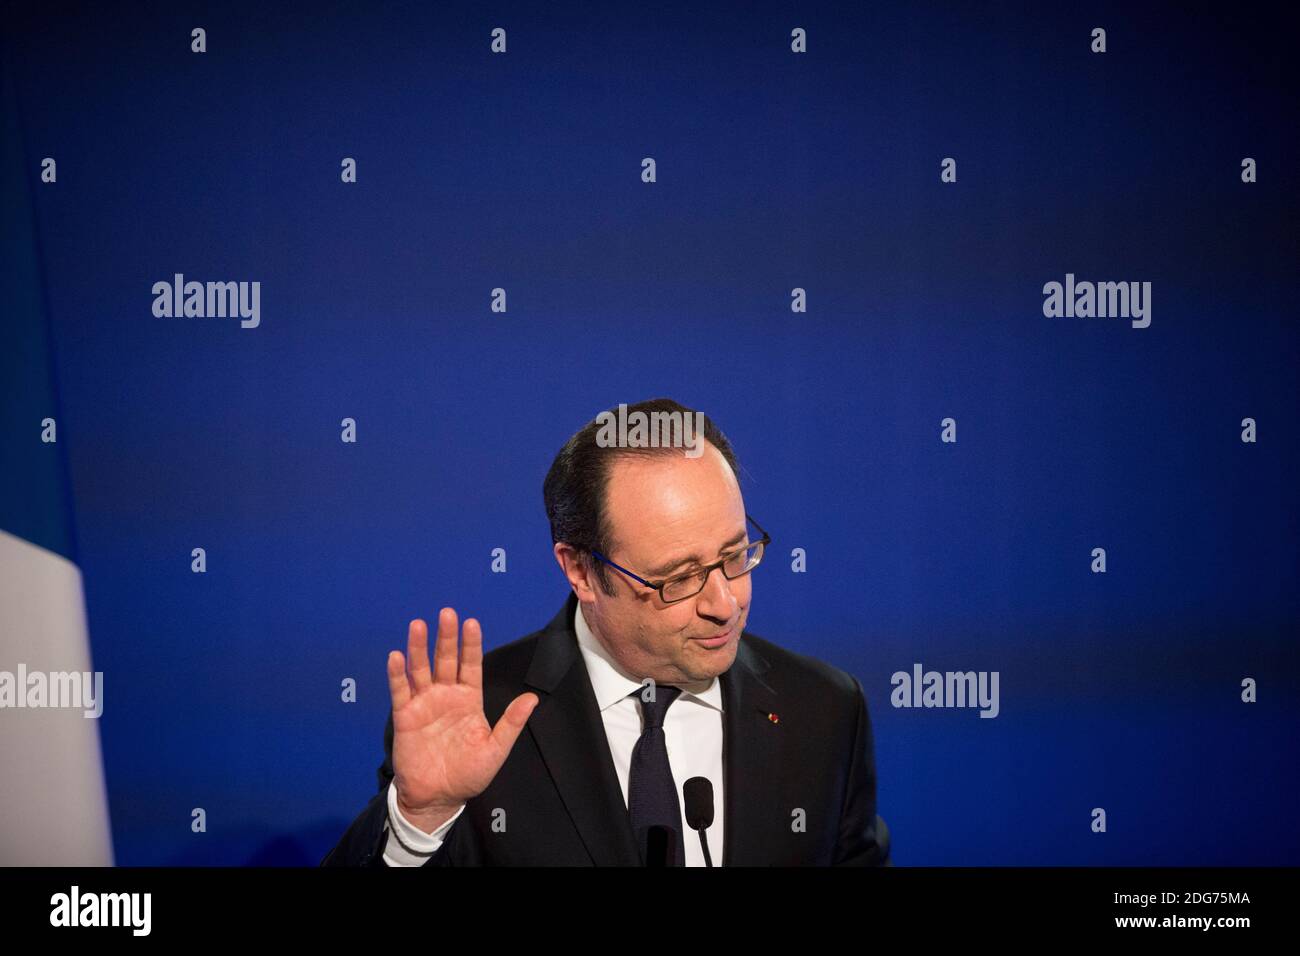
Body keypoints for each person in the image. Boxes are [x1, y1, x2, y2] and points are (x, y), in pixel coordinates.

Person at [321, 398, 890, 866]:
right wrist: (419, 822)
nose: (726, 602)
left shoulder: (825, 709)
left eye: (736, 556)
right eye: (680, 577)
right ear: (581, 571)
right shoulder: (481, 720)